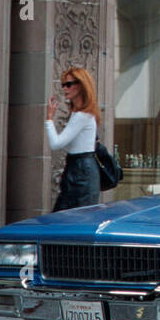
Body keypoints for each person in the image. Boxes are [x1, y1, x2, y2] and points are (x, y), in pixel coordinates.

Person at [46, 66, 101, 211]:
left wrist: (49, 118)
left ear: (81, 85)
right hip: (78, 167)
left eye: (69, 84)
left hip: (81, 169)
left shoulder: (82, 116)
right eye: (63, 85)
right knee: (68, 217)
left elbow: (56, 143)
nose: (65, 89)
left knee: (73, 218)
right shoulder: (80, 114)